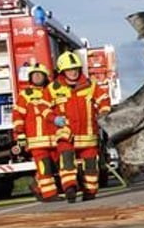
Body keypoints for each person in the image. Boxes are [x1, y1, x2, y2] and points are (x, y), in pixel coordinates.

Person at [48, 50, 112, 202]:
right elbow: (43, 108)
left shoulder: (90, 86)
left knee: (91, 166)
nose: (73, 72)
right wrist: (53, 118)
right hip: (66, 135)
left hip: (88, 134)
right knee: (67, 163)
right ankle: (70, 188)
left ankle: (90, 191)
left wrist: (103, 112)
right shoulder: (53, 89)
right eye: (70, 70)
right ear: (63, 71)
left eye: (76, 69)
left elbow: (104, 100)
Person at [10, 61, 58, 200]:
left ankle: (37, 186)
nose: (37, 77)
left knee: (54, 165)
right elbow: (18, 115)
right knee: (44, 167)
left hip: (54, 138)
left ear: (45, 76)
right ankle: (49, 194)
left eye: (39, 74)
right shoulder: (26, 94)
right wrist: (20, 134)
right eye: (34, 75)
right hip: (36, 139)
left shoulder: (50, 92)